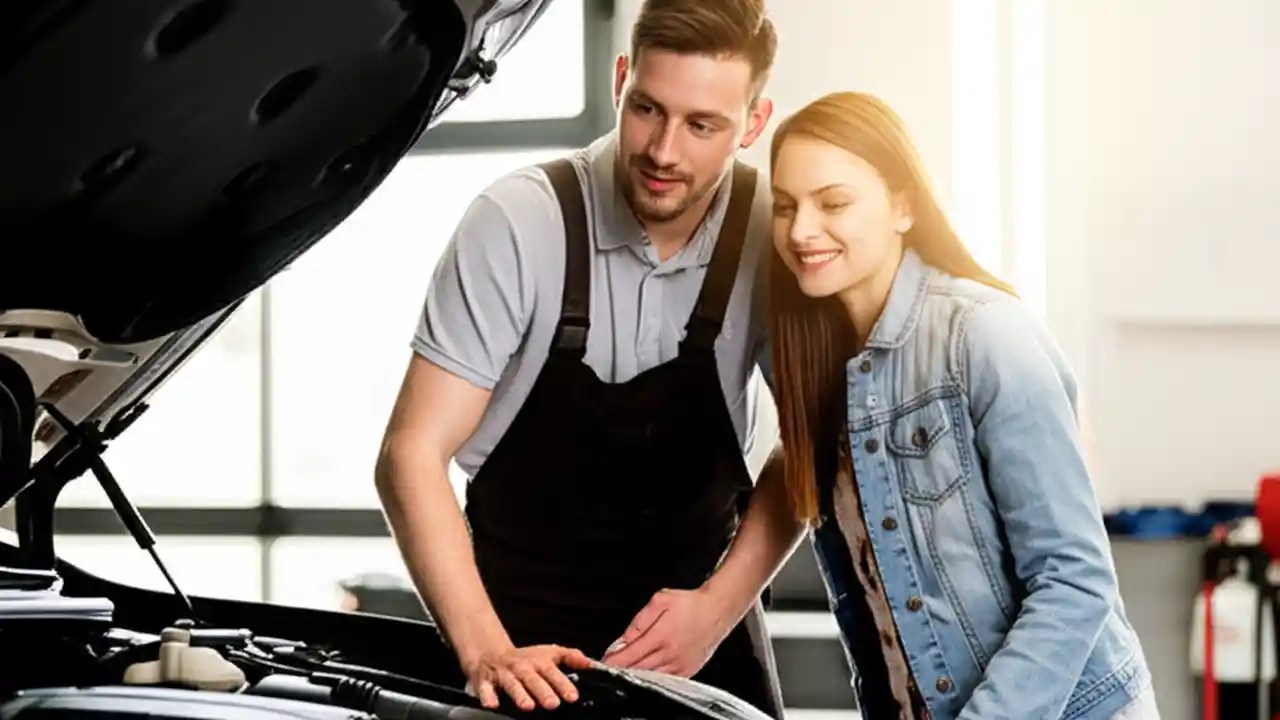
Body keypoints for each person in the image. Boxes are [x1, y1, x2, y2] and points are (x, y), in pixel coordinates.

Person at [607, 91, 1159, 719]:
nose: (802, 230)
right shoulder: (821, 365)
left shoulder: (985, 336)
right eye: (786, 207)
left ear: (902, 204)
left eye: (834, 202)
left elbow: (1075, 583)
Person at [373, 0, 787, 716]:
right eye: (648, 109)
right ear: (622, 78)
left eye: (702, 125)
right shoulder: (516, 223)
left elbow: (815, 447)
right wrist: (485, 651)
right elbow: (409, 454)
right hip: (523, 650)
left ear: (752, 123)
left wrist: (719, 608)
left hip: (700, 643)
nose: (663, 151)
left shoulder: (777, 231)